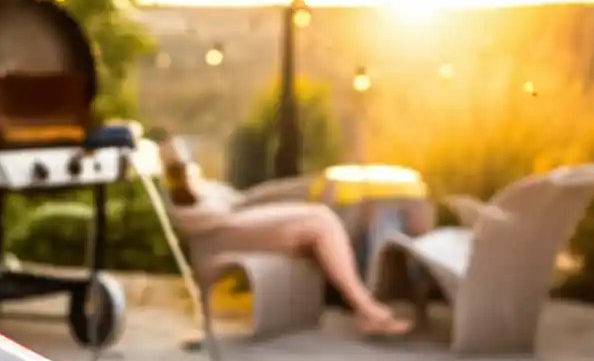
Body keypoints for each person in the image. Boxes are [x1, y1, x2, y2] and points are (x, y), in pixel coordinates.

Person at [157, 136, 414, 338]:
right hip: (228, 235)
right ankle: (366, 309)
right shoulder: (186, 199)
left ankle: (363, 305)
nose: (189, 167)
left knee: (321, 219)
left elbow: (242, 198)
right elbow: (209, 217)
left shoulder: (205, 186)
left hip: (241, 223)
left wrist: (294, 187)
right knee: (320, 220)